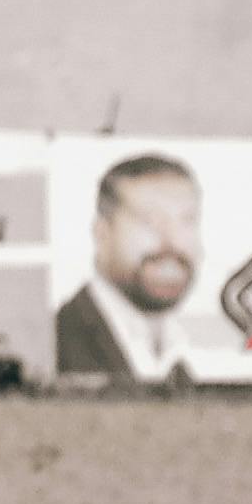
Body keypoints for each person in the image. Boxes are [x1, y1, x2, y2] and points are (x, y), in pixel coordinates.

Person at [54, 149, 200, 381]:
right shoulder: (55, 344)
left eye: (186, 221)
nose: (172, 241)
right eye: (149, 221)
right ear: (102, 234)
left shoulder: (180, 352)